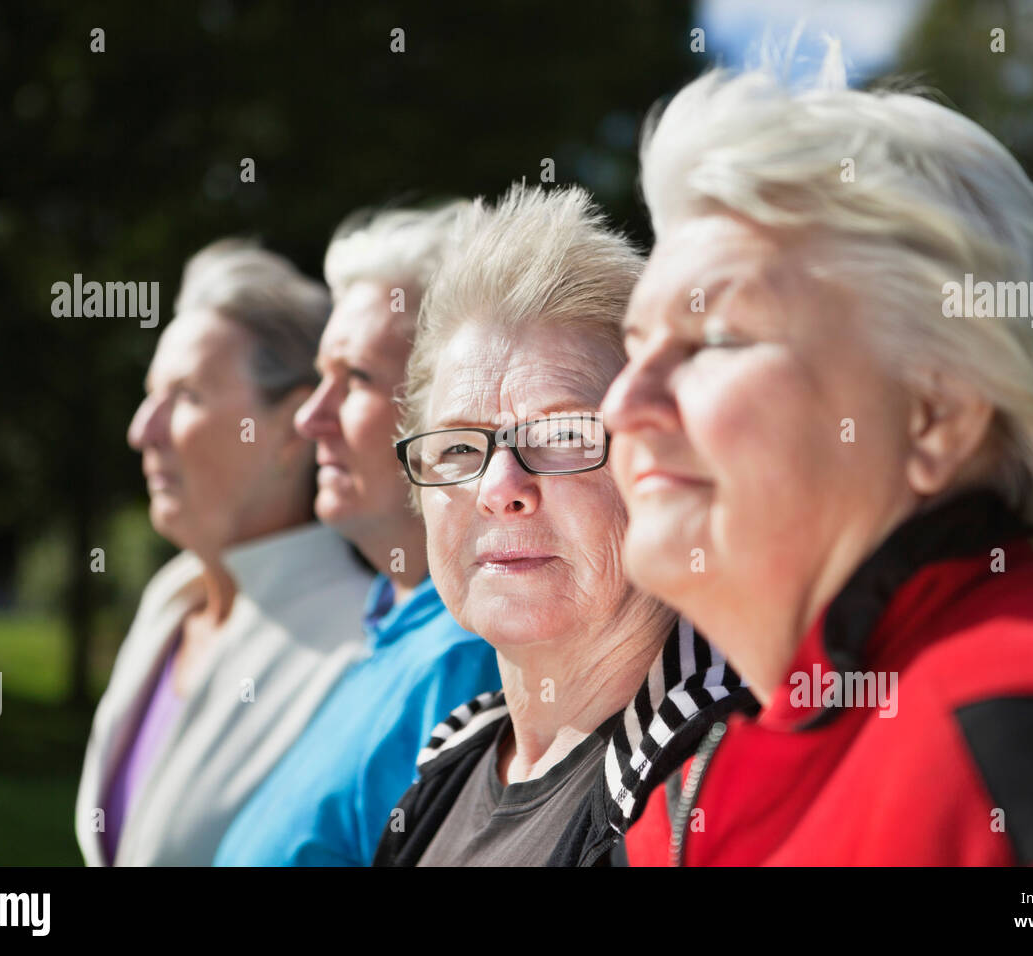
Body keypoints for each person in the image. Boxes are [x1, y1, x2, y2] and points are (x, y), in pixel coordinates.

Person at [602, 44, 1033, 866]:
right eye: (635, 347)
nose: (621, 406)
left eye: (715, 339)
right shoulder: (684, 799)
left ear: (936, 415)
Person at [372, 184, 757, 868]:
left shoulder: (720, 777)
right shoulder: (443, 771)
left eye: (563, 435)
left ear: (659, 461)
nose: (500, 489)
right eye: (459, 447)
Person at [214, 203, 502, 867]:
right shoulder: (396, 623)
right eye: (321, 376)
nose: (312, 417)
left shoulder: (464, 657)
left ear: (454, 413)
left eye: (358, 379)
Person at [75, 239, 375, 866]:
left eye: (184, 396)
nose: (142, 430)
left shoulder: (360, 648)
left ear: (294, 426)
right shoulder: (171, 606)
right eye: (150, 393)